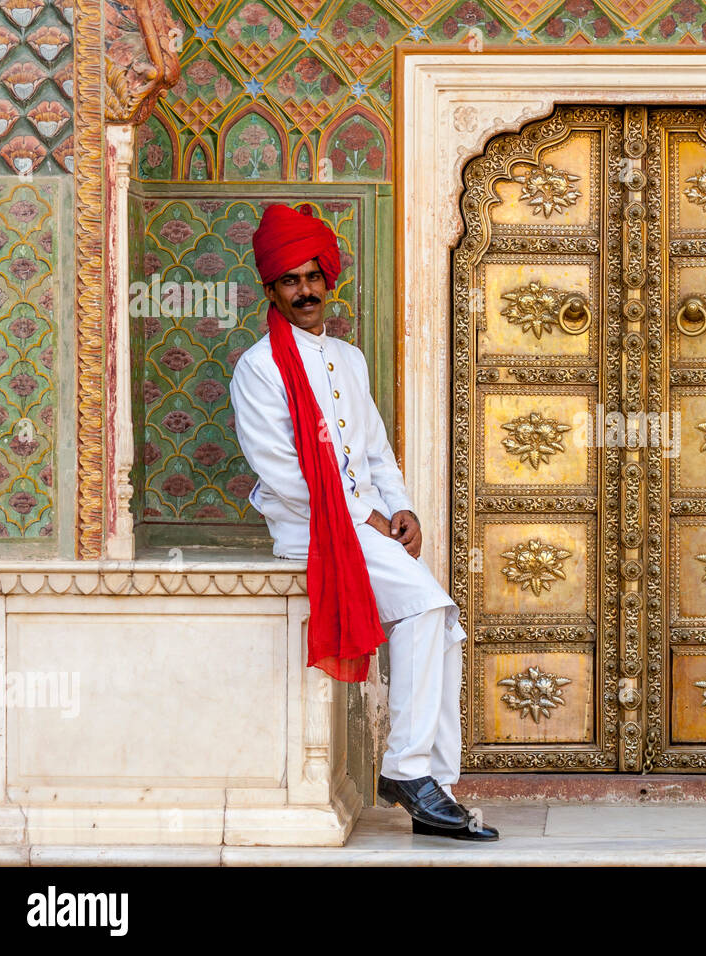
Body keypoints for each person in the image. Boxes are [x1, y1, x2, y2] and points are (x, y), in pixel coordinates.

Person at [228, 202, 498, 842]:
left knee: (437, 619)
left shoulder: (347, 358)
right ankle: (410, 774)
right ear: (271, 290)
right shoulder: (260, 368)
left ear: (329, 281)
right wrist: (371, 518)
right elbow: (287, 478)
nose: (305, 291)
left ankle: (424, 777)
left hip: (367, 527)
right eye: (290, 281)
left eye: (313, 277)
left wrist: (399, 508)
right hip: (315, 532)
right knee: (431, 609)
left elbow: (373, 450)